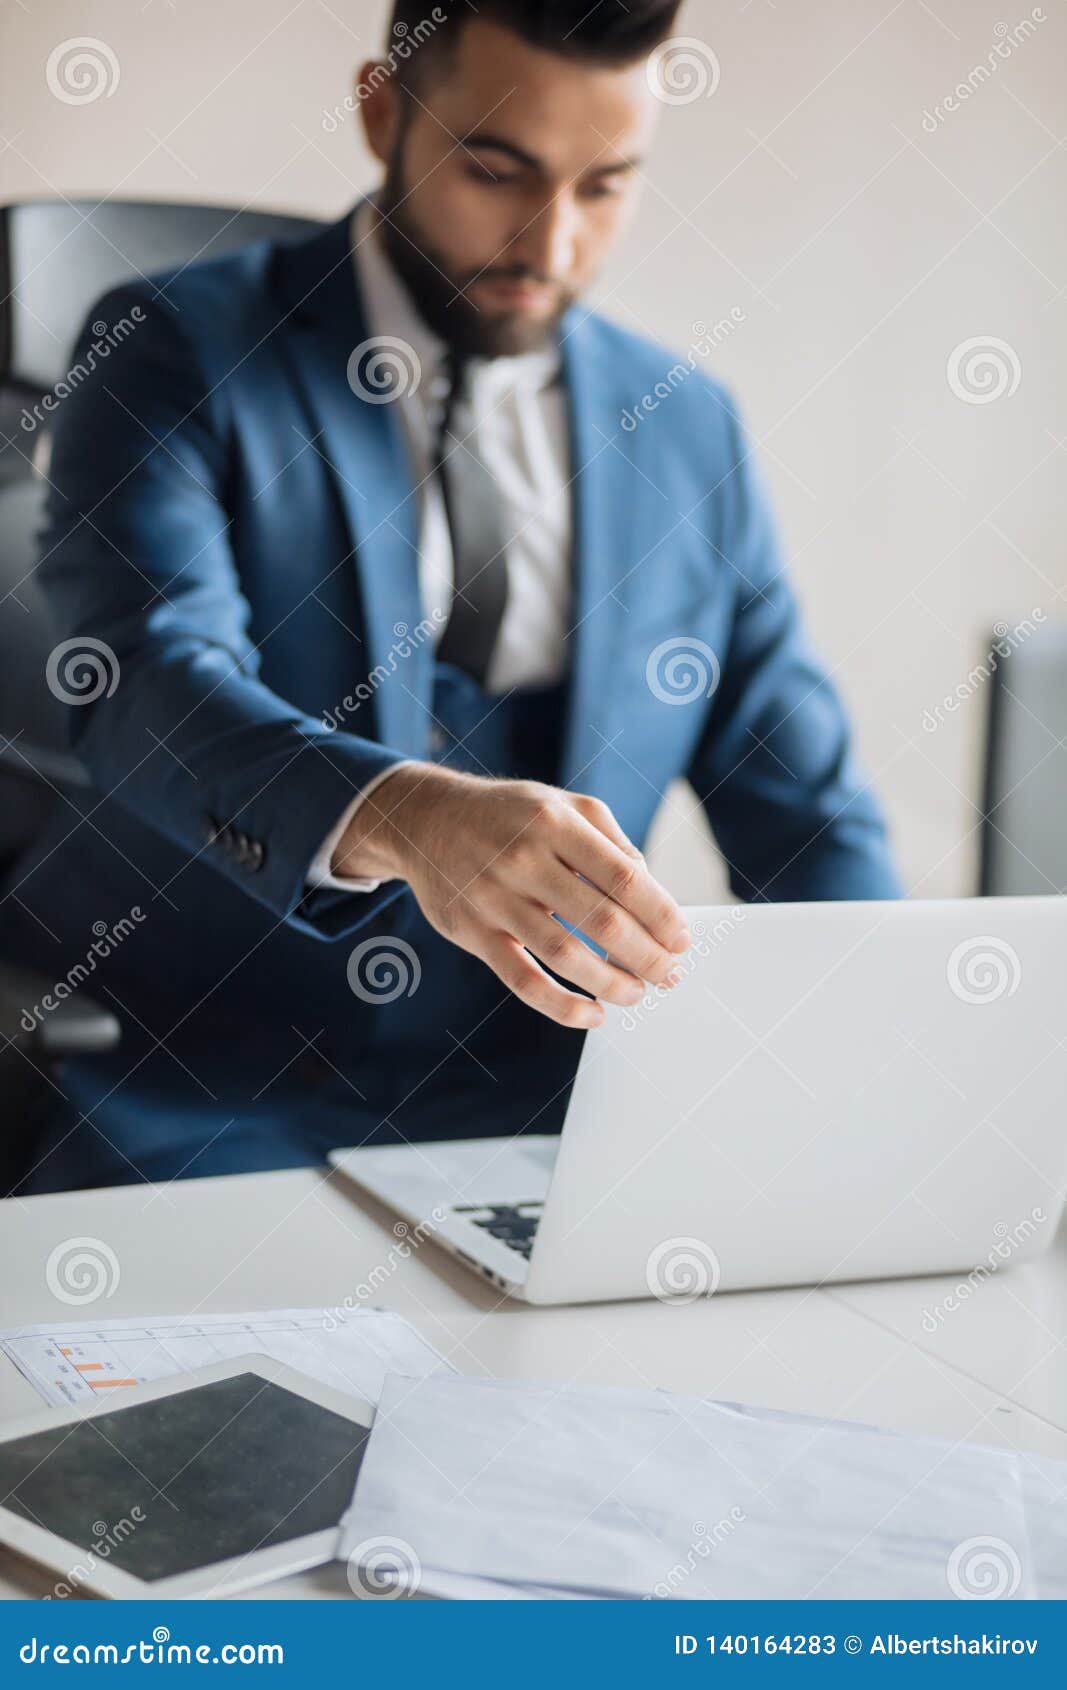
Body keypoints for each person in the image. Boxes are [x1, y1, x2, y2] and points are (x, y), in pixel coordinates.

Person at [2, 0, 899, 1193]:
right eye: (495, 169)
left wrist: (899, 1049)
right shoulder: (172, 346)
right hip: (205, 1086)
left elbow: (805, 818)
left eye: (605, 187)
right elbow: (147, 685)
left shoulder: (686, 426)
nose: (550, 246)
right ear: (383, 112)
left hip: (558, 1115)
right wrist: (408, 815)